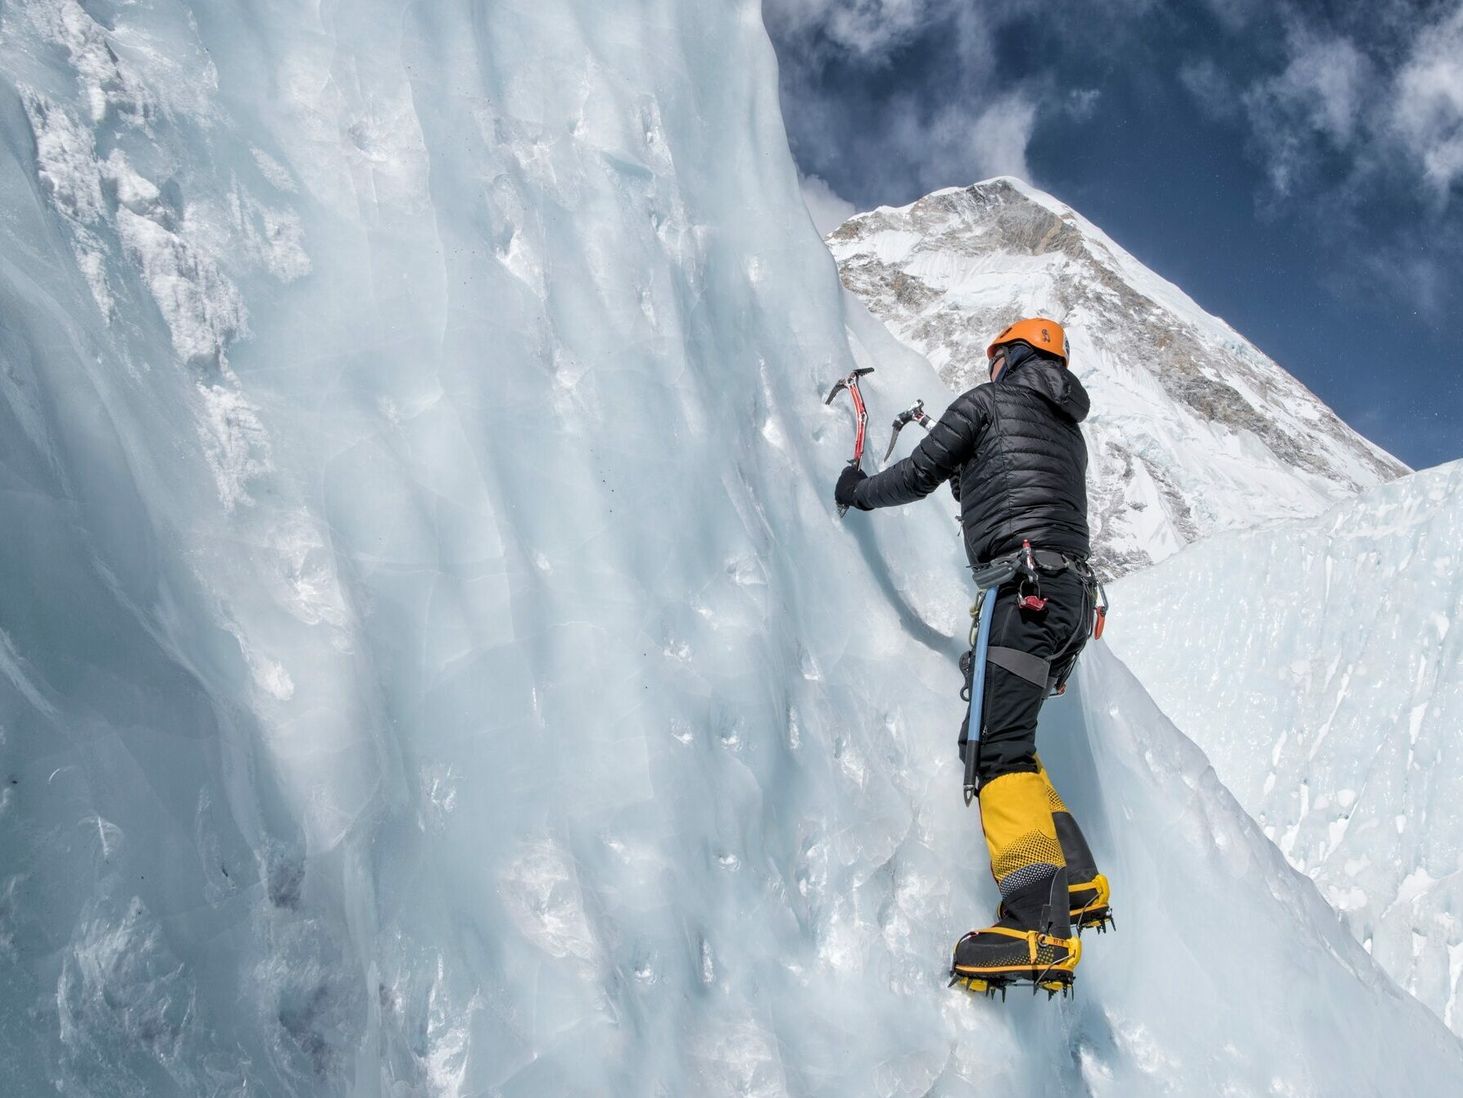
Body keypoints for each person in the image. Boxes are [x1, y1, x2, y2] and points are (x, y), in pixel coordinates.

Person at [834, 317, 1110, 995]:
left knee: (996, 753)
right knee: (1015, 742)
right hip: (1070, 600)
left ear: (1006, 358)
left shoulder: (987, 404)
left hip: (1023, 593)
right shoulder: (1067, 433)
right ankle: (1076, 884)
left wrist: (855, 491)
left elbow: (921, 473)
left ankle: (1036, 928)